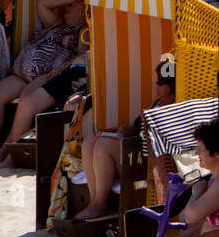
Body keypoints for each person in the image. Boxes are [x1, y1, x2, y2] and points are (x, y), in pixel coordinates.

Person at [0, 0, 87, 164]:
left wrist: (62, 68)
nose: (67, 8)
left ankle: (6, 149)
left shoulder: (83, 31)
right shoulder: (57, 24)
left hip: (46, 75)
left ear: (84, 12)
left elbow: (81, 58)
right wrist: (68, 0)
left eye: (73, 6)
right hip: (22, 73)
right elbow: (41, 2)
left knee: (26, 97)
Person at [74, 57, 176, 221]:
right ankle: (94, 201)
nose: (156, 86)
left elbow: (157, 139)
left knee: (103, 147)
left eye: (160, 83)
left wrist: (131, 136)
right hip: (134, 152)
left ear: (171, 85)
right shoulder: (158, 103)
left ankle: (100, 204)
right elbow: (141, 129)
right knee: (89, 142)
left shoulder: (173, 108)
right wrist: (130, 131)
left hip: (147, 161)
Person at [177, 119, 219, 237]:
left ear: (216, 153)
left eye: (200, 149)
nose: (196, 153)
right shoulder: (213, 180)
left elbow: (191, 216)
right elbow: (203, 223)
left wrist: (197, 191)